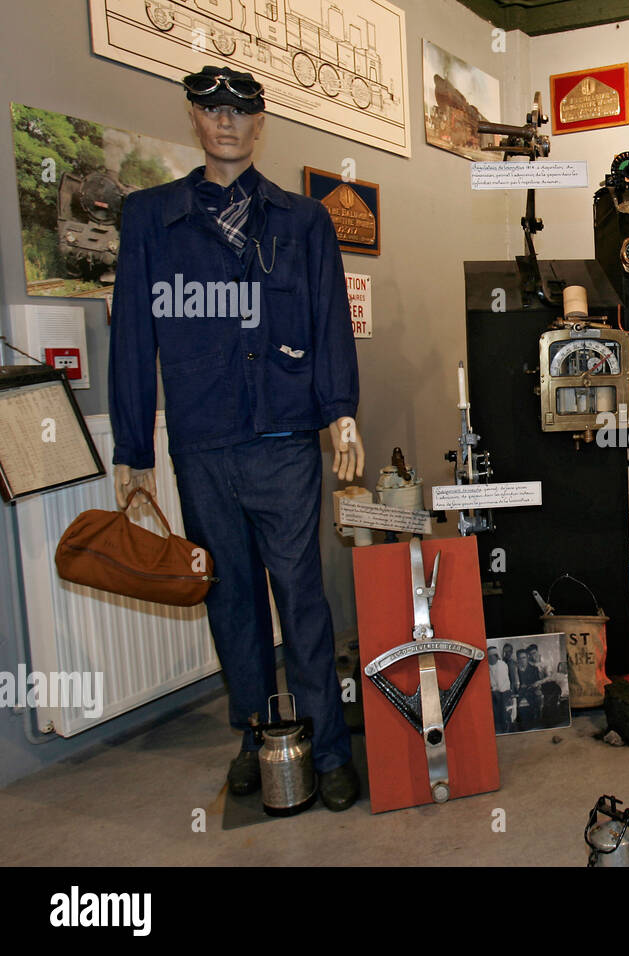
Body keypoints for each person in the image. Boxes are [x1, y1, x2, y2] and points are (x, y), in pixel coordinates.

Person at [108, 67, 365, 809]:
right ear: (194, 117)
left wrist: (340, 409)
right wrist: (132, 449)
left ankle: (325, 747)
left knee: (302, 599)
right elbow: (132, 336)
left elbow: (328, 326)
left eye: (241, 111)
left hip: (284, 442)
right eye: (212, 108)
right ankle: (258, 736)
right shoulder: (151, 218)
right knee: (233, 603)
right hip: (202, 444)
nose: (226, 122)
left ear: (260, 126)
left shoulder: (303, 221)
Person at [487, 646, 513, 734]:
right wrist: (493, 690)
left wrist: (499, 691)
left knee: (505, 713)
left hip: (505, 692)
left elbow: (504, 682)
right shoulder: (486, 667)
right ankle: (498, 730)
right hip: (493, 693)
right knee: (495, 714)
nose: (491, 658)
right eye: (489, 656)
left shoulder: (502, 665)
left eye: (492, 656)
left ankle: (507, 729)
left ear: (496, 655)